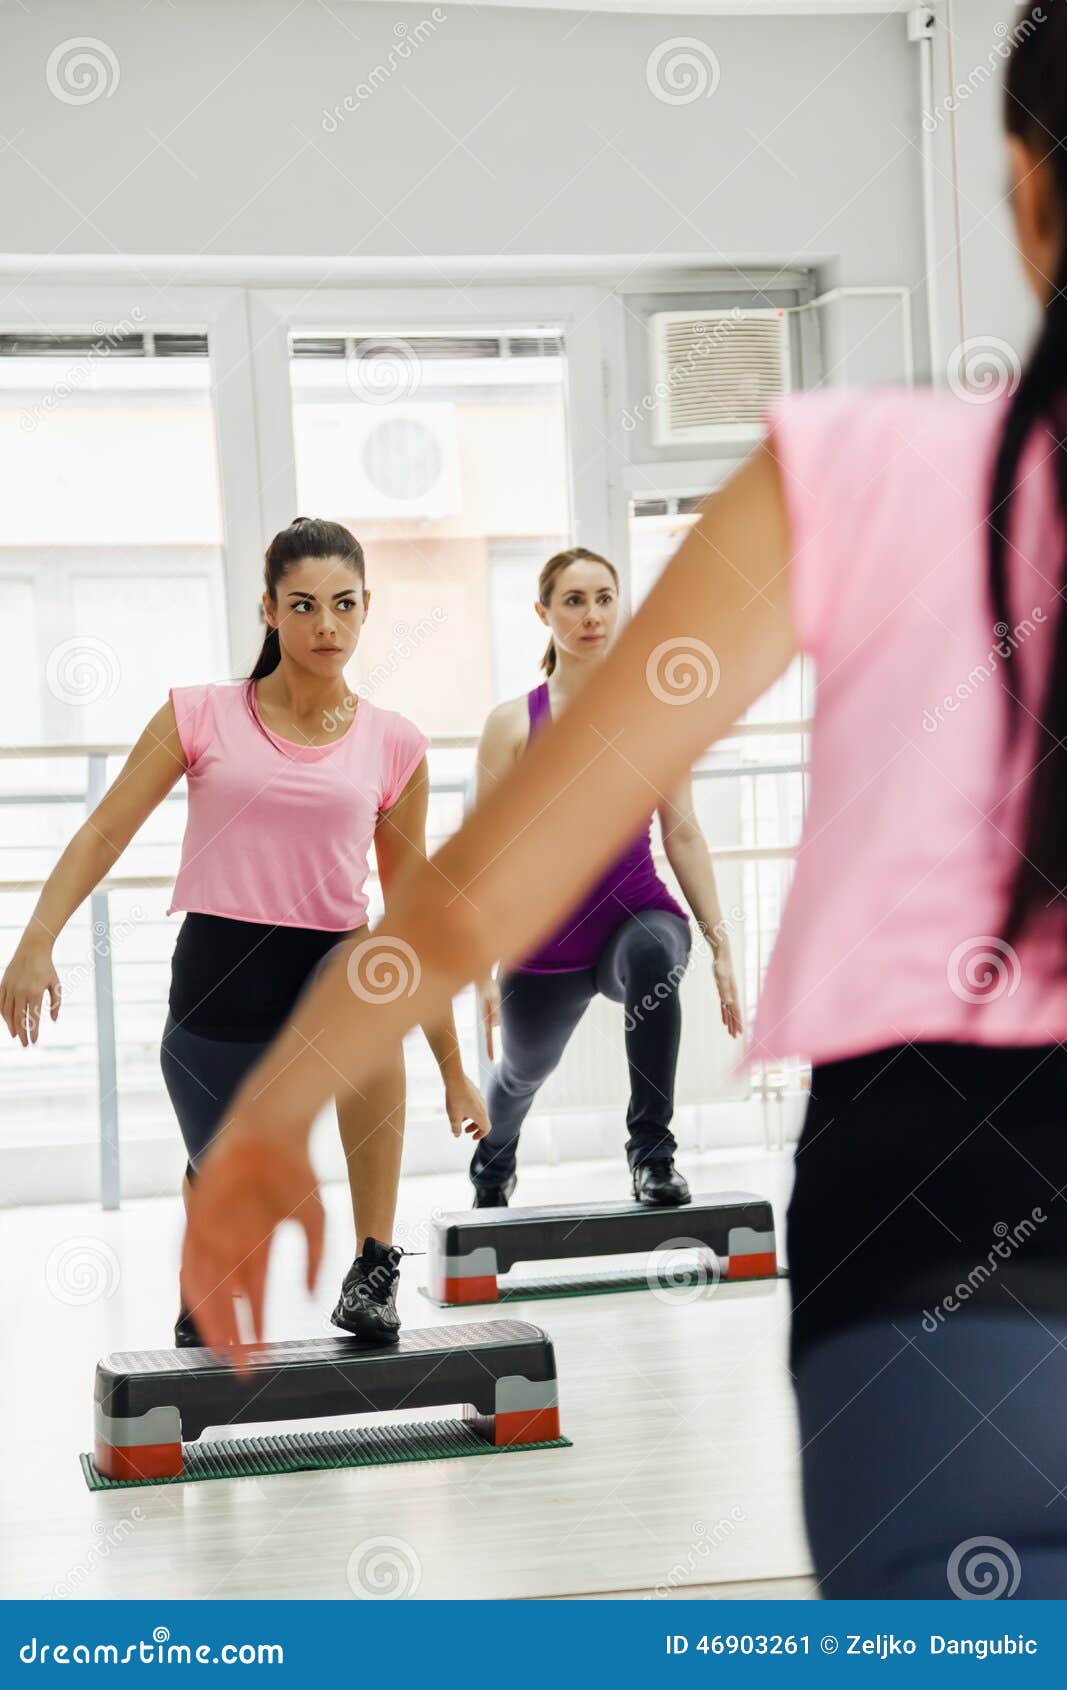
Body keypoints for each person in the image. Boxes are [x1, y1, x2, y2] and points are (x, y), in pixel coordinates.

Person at [178, 8, 1067, 1594]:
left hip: (936, 1196)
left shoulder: (861, 468)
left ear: (1023, 189)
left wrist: (271, 1111)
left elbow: (502, 862)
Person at [0, 516, 488, 1347]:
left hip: (332, 969)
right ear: (268, 609)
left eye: (343, 604)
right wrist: (35, 941)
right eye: (303, 605)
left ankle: (372, 1268)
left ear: (367, 608)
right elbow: (104, 831)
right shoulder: (199, 715)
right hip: (217, 986)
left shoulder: (395, 744)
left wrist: (452, 1068)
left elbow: (413, 917)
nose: (325, 625)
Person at [471, 546, 742, 1209]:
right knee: (520, 1074)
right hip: (543, 940)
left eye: (603, 599)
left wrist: (720, 946)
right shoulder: (512, 724)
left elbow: (683, 833)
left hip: (636, 917)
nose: (591, 615)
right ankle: (493, 1164)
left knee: (654, 952)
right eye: (573, 601)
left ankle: (652, 1155)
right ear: (543, 613)